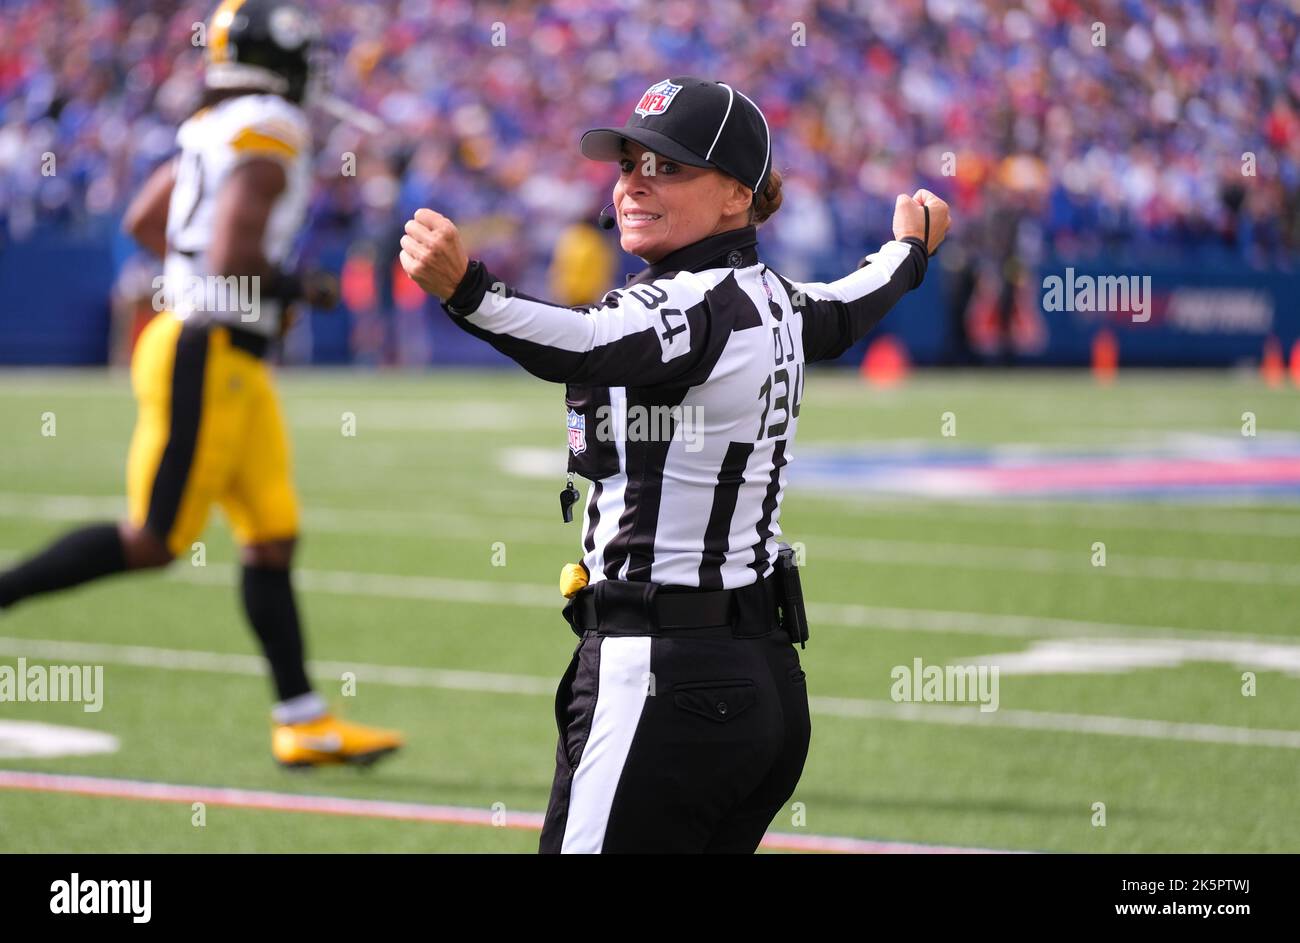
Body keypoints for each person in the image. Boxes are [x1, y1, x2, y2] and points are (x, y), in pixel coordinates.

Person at [400, 76, 949, 852]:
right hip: (762, 683)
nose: (634, 184)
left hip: (660, 680)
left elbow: (582, 342)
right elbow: (852, 304)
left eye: (668, 167)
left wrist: (468, 291)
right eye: (628, 165)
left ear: (736, 196)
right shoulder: (777, 304)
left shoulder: (696, 306)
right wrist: (911, 249)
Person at [0, 0, 403, 769]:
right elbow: (229, 258)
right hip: (208, 350)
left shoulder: (213, 124)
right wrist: (299, 287)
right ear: (278, 59)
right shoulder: (270, 128)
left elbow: (149, 218)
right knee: (154, 539)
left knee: (272, 535)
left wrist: (206, 277)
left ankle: (303, 721)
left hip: (225, 354)